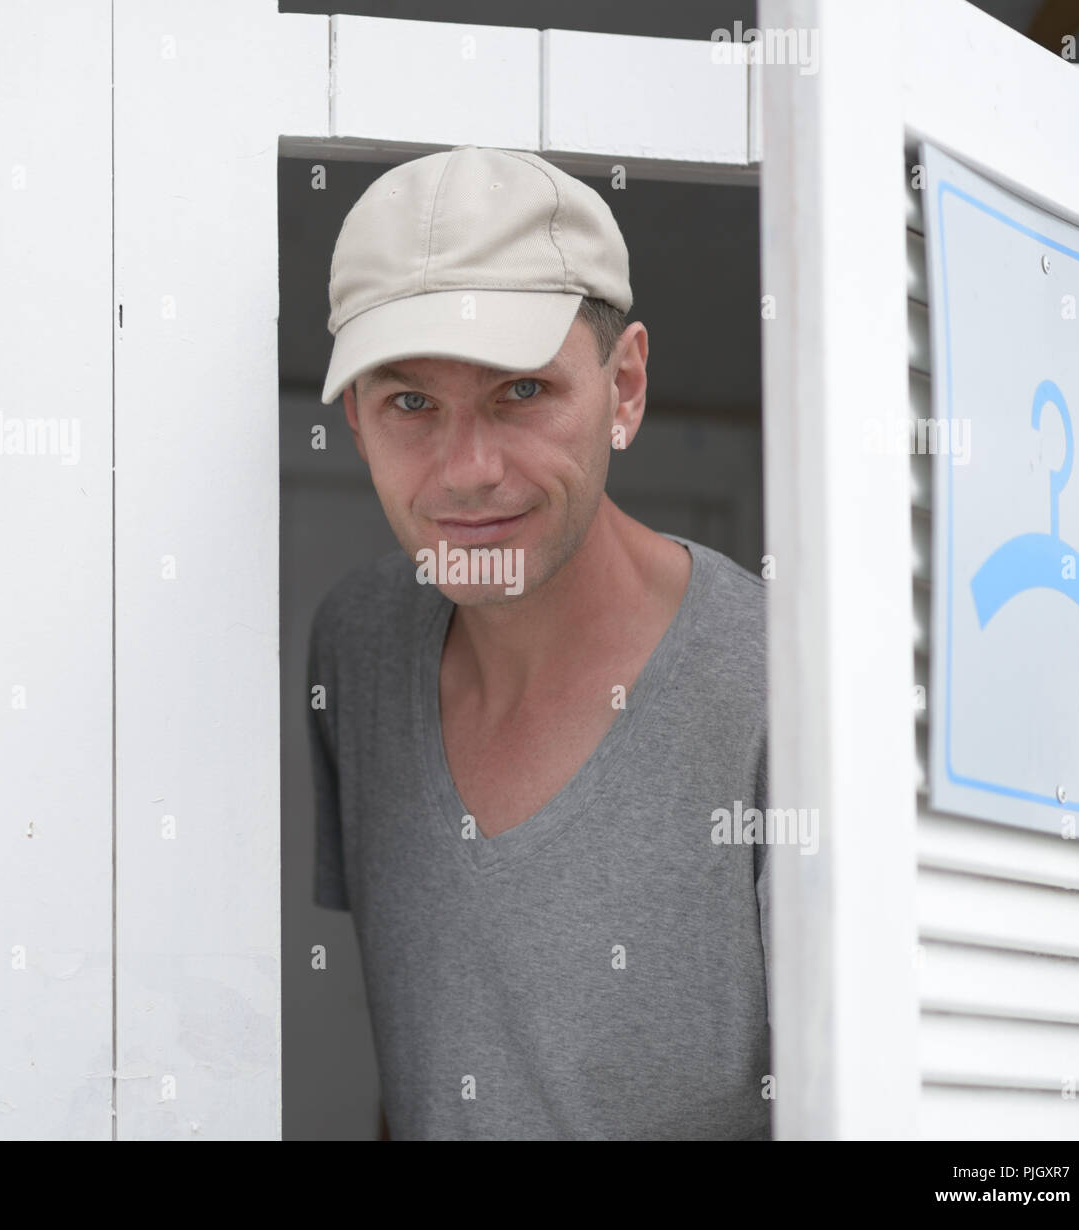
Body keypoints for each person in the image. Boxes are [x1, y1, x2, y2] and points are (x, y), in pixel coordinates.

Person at [307, 145, 771, 1140]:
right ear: (354, 419)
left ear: (627, 385)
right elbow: (438, 1060)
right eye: (410, 403)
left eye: (520, 391)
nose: (467, 469)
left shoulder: (786, 688)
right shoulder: (356, 651)